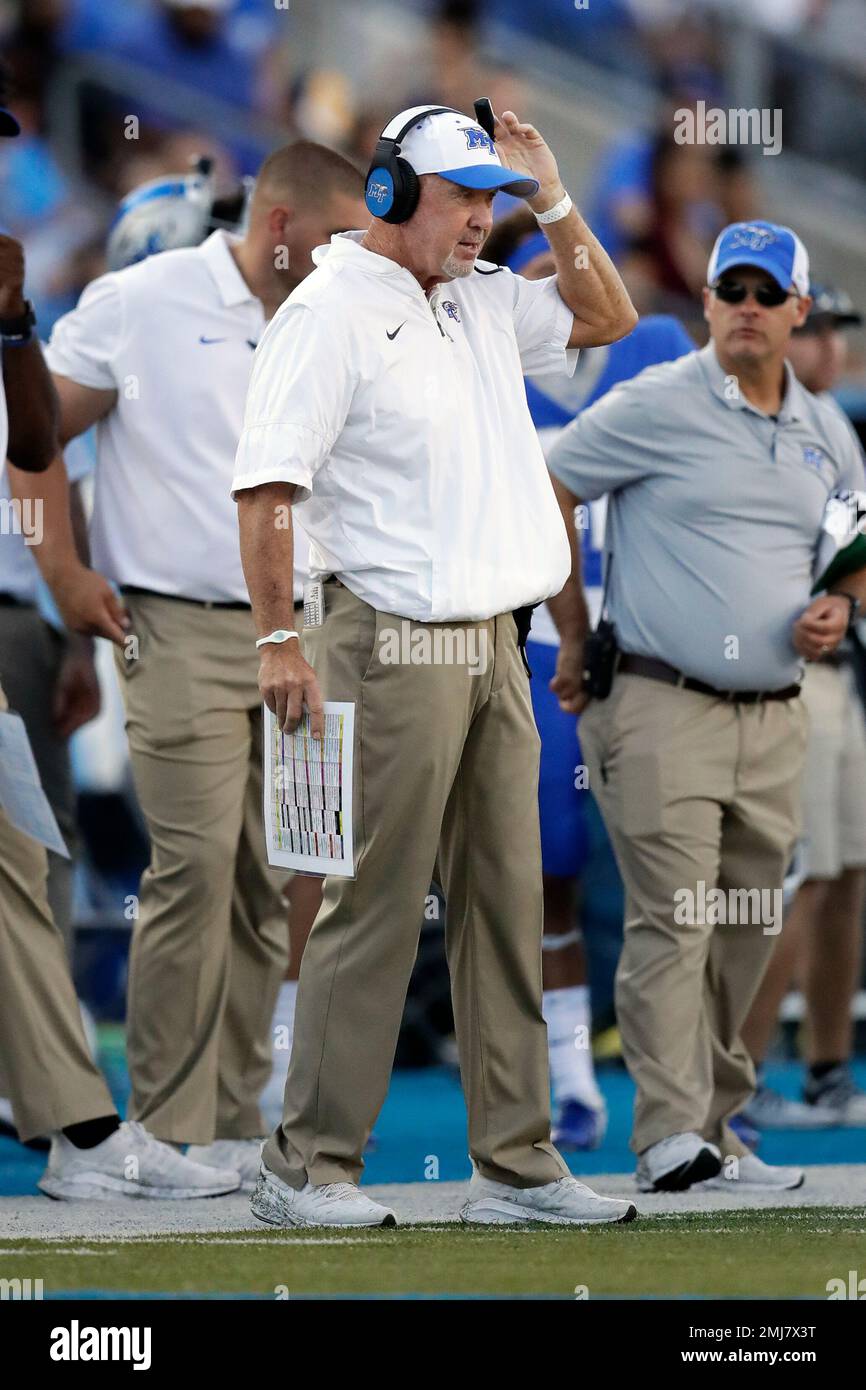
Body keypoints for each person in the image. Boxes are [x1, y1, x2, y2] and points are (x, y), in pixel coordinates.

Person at [234, 102, 638, 1230]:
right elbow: (268, 489)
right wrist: (275, 640)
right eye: (460, 196)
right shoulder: (325, 313)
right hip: (385, 639)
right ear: (388, 194)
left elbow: (608, 313)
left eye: (486, 199)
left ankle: (513, 1164)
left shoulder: (480, 297)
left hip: (495, 641)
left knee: (504, 906)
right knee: (371, 908)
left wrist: (548, 193)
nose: (478, 219)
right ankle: (302, 1165)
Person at [12, 140, 367, 1192]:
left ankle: (222, 1118)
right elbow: (32, 445)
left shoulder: (341, 310)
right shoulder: (140, 300)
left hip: (306, 631)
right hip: (175, 625)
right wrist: (65, 578)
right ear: (279, 228)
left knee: (277, 878)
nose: (357, 252)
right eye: (342, 234)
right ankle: (161, 1126)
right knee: (195, 865)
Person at [546, 221, 866, 1195]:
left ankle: (716, 1124)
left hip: (774, 710)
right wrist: (568, 630)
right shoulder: (657, 401)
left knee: (745, 922)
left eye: (765, 294)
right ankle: (666, 1132)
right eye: (728, 290)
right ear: (711, 304)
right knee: (673, 914)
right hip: (655, 697)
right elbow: (547, 483)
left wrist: (837, 607)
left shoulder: (825, 428)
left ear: (797, 311)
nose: (744, 308)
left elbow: (854, 543)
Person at [0, 87, 238, 1200]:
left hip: (31, 620)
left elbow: (33, 438)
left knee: (28, 861)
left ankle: (87, 1135)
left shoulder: (16, 281)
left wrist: (11, 332)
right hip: (100, 620)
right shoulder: (145, 300)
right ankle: (99, 1129)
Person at [484, 207, 695, 1150]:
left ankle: (697, 1094)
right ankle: (573, 1083)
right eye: (536, 283)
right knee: (551, 877)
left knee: (690, 883)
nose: (557, 297)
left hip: (654, 644)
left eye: (573, 274)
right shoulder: (484, 361)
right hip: (541, 655)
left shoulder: (654, 350)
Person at [740, 284, 866, 1130]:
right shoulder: (766, 429)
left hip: (845, 672)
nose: (833, 346)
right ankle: (739, 1082)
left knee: (848, 873)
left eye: (841, 332)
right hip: (793, 671)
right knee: (799, 881)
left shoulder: (838, 430)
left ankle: (826, 1068)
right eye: (820, 328)